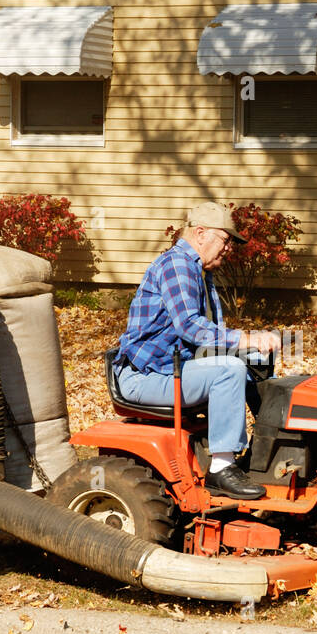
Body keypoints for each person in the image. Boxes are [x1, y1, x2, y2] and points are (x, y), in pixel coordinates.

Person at [115, 201, 281, 500]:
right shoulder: (176, 265)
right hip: (147, 376)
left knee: (254, 361)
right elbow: (190, 328)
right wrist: (246, 338)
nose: (228, 248)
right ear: (201, 233)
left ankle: (267, 449)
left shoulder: (201, 272)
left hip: (174, 367)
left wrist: (250, 347)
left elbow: (208, 338)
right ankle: (221, 468)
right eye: (225, 239)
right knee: (229, 368)